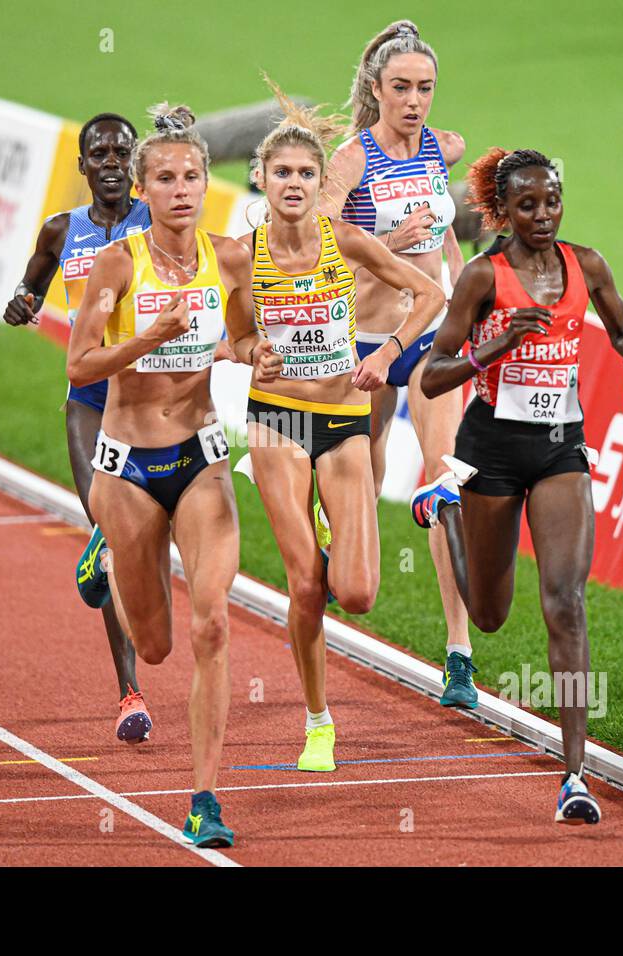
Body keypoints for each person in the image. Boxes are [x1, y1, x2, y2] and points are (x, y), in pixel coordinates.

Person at [418, 147, 623, 823]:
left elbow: (621, 331)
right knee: (491, 616)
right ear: (504, 209)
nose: (543, 215)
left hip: (560, 449)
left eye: (551, 201)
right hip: (490, 449)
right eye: (527, 204)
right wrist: (490, 349)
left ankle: (574, 776)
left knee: (566, 601)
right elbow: (434, 375)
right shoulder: (481, 278)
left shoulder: (587, 265)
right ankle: (446, 512)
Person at [67, 104, 282, 848]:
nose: (183, 189)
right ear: (142, 187)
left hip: (198, 458)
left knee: (213, 623)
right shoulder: (116, 264)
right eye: (166, 178)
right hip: (126, 466)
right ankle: (109, 548)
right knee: (153, 648)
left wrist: (256, 354)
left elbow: (248, 333)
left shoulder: (228, 258)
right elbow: (79, 364)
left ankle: (205, 799)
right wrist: (143, 340)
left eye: (193, 175)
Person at [242, 78, 446, 772]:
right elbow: (224, 334)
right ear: (261, 179)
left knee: (355, 593)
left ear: (319, 181)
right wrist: (247, 351)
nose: (294, 182)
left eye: (306, 172)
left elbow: (430, 291)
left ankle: (332, 527)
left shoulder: (348, 239)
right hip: (275, 424)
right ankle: (318, 722)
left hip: (342, 418)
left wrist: (388, 352)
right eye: (282, 172)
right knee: (305, 585)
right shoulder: (243, 253)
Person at [319, 20, 478, 709]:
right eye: (403, 88)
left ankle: (459, 652)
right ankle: (341, 555)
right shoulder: (353, 158)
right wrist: (387, 236)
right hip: (365, 342)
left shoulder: (443, 149)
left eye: (426, 88)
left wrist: (469, 289)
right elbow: (316, 226)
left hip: (434, 335)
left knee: (447, 479)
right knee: (370, 468)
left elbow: (444, 236)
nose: (416, 102)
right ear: (376, 89)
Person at [2, 114, 155, 744]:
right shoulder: (62, 231)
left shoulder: (160, 220)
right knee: (110, 529)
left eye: (124, 150)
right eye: (101, 152)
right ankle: (130, 694)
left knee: (137, 542)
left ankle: (111, 552)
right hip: (90, 400)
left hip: (154, 402)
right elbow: (29, 289)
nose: (113, 160)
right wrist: (21, 302)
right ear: (83, 165)